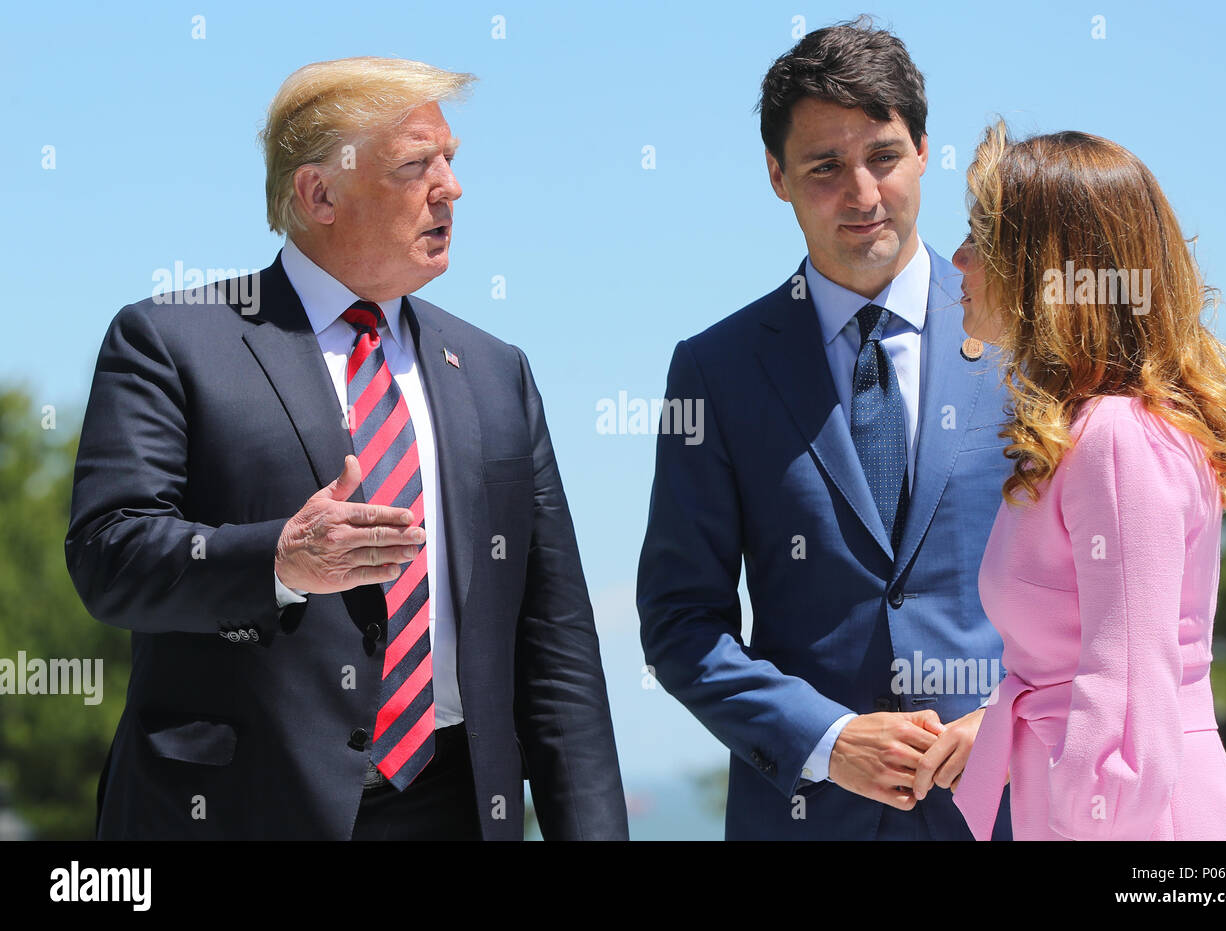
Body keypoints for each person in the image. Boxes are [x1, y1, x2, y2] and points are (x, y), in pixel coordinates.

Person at [65, 57, 627, 841]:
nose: (450, 188)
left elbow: (555, 638)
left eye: (450, 160)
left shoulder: (498, 372)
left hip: (453, 805)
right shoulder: (168, 340)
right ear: (318, 193)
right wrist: (278, 561)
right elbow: (108, 556)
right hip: (237, 811)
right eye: (414, 165)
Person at [637, 17, 1013, 840]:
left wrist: (1011, 720)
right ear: (776, 175)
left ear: (924, 150)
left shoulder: (1030, 345)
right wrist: (828, 738)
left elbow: (1100, 598)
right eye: (824, 168)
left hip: (1009, 810)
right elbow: (680, 622)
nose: (863, 194)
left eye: (883, 157)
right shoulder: (716, 370)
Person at [950, 120, 1226, 840]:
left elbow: (1127, 705)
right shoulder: (1095, 432)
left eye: (982, 238)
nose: (959, 258)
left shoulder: (1117, 439)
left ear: (1044, 271)